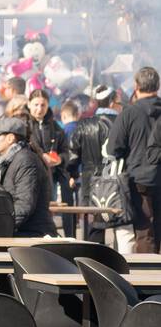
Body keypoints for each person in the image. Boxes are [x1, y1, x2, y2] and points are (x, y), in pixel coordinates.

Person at [107, 67, 161, 253]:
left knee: (144, 230)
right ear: (158, 85)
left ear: (136, 86)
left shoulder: (129, 113)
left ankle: (150, 278)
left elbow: (113, 148)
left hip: (138, 180)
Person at [0, 115, 57, 238]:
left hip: (32, 235)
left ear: (10, 138)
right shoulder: (10, 161)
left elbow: (24, 205)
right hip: (20, 232)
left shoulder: (25, 160)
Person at [70, 86, 122, 244]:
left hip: (89, 182)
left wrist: (72, 174)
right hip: (117, 180)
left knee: (93, 227)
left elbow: (73, 155)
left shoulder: (84, 124)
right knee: (120, 228)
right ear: (112, 102)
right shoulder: (122, 123)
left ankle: (90, 263)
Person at [27, 88, 71, 235]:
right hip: (29, 175)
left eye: (43, 105)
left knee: (48, 211)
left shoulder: (56, 127)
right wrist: (40, 156)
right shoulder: (24, 125)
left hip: (51, 176)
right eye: (36, 105)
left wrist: (59, 159)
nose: (39, 109)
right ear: (29, 104)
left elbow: (65, 151)